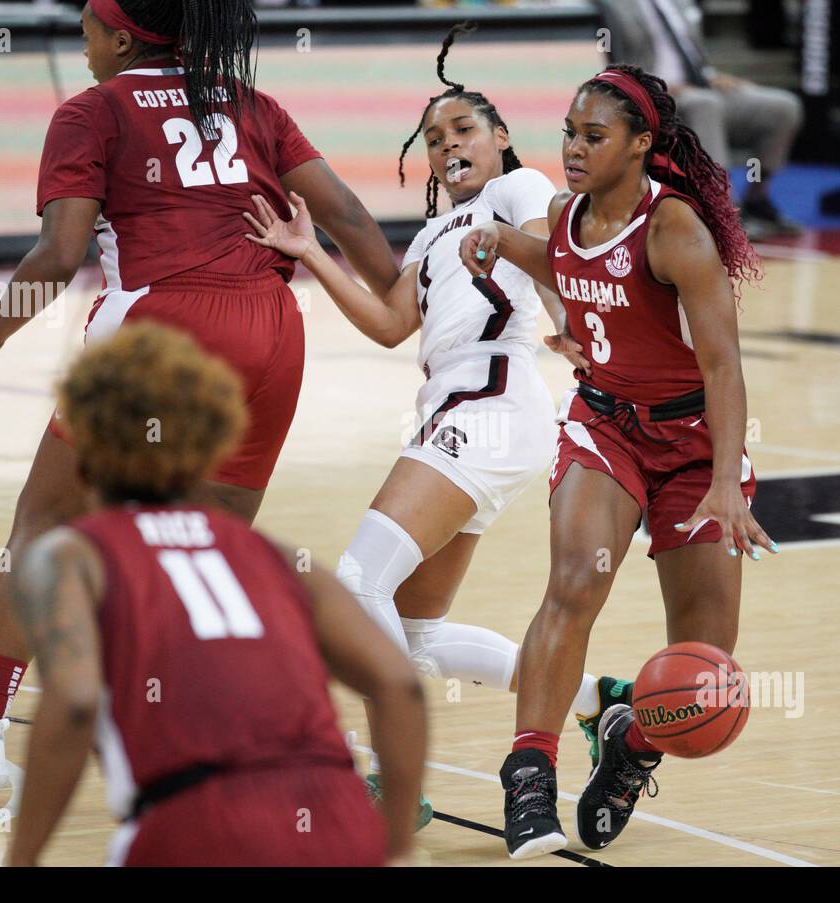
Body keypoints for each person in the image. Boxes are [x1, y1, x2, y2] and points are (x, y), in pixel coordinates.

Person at [0, 0, 398, 787]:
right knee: (210, 556)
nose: (83, 40)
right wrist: (406, 304)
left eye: (90, 26)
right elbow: (345, 213)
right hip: (273, 330)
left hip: (163, 331)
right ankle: (273, 741)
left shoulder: (92, 110)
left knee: (44, 520)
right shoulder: (251, 101)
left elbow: (60, 254)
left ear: (123, 38)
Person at [242, 23, 624, 833]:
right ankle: (601, 703)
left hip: (487, 407)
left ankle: (395, 778)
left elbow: (562, 242)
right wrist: (311, 251)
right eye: (435, 137)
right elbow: (388, 324)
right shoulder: (432, 232)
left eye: (463, 128)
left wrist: (563, 311)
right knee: (415, 633)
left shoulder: (517, 193)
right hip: (470, 419)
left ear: (500, 139)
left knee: (353, 581)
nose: (448, 143)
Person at [459, 64, 775, 859]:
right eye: (568, 132)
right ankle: (529, 772)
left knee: (705, 664)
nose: (572, 148)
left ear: (640, 145)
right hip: (606, 428)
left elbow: (724, 368)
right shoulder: (567, 215)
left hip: (696, 444)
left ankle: (630, 739)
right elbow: (560, 263)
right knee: (573, 584)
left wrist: (727, 486)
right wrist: (504, 242)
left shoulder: (675, 232)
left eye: (592, 136)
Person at [5, 322, 425, 866]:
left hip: (196, 825)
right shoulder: (279, 560)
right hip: (338, 819)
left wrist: (21, 860)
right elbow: (399, 685)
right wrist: (391, 844)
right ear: (211, 444)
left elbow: (77, 702)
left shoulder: (73, 557)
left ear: (83, 448)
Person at [595, 0, 804, 239]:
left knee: (783, 107)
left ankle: (757, 199)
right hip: (650, 95)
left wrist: (710, 75)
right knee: (706, 106)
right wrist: (655, 85)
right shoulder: (611, 5)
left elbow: (690, 52)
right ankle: (723, 211)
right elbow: (608, 64)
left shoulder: (679, 3)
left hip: (698, 88)